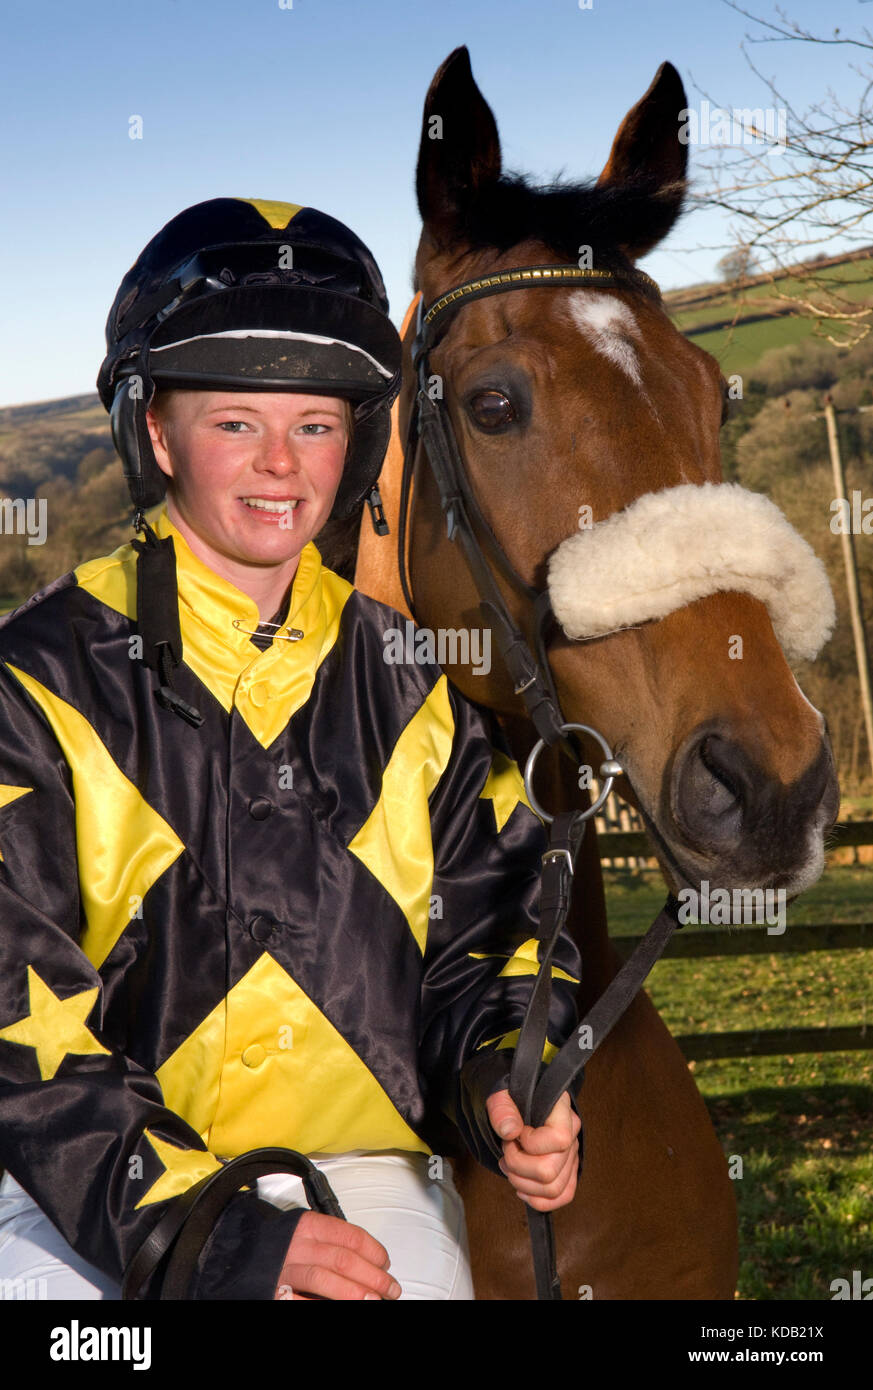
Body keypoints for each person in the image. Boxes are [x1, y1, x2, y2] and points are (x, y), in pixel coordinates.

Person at [0, 197, 581, 1301]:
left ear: (357, 443)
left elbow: (494, 942)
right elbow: (11, 1025)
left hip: (365, 1178)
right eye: (235, 423)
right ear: (157, 433)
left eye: (314, 424)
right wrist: (196, 1235)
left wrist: (511, 1082)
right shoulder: (27, 683)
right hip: (78, 1193)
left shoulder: (424, 687)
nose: (282, 467)